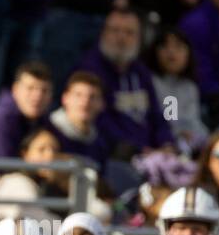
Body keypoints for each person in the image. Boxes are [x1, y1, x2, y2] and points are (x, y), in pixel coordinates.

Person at [75, 8, 174, 160]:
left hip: (150, 155)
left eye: (129, 32)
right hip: (115, 156)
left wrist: (166, 143)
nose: (121, 37)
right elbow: (99, 121)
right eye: (115, 30)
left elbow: (157, 113)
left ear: (139, 38)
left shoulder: (141, 71)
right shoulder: (90, 71)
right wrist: (138, 150)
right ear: (103, 33)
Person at [0, 61, 54, 159]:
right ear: (15, 89)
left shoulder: (44, 121)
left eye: (44, 91)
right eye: (30, 88)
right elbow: (1, 168)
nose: (37, 96)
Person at [43, 71, 110, 172]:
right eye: (78, 95)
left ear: (102, 104)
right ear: (65, 98)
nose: (85, 102)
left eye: (92, 97)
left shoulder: (100, 142)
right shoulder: (46, 131)